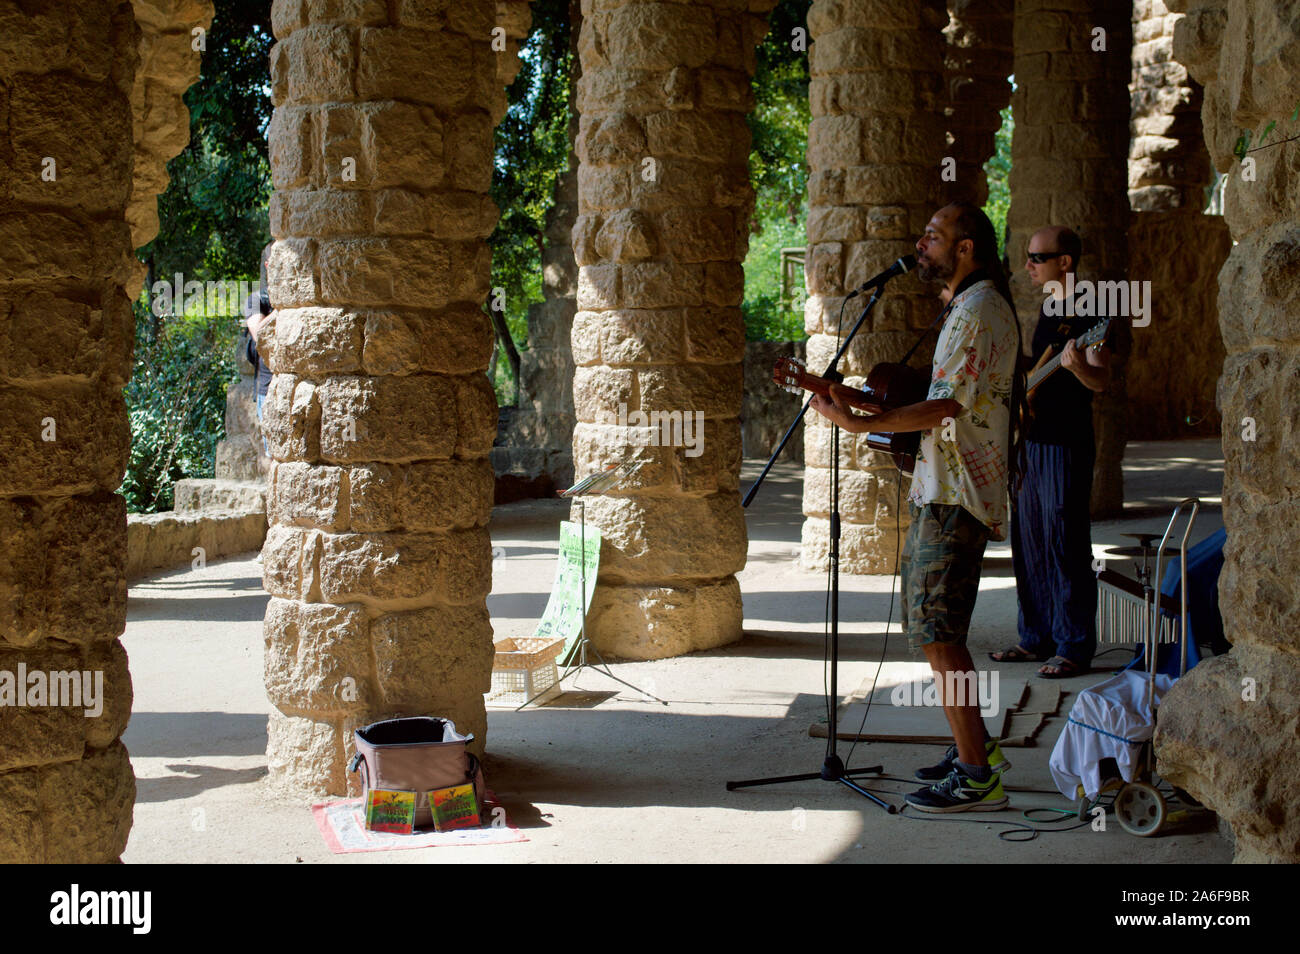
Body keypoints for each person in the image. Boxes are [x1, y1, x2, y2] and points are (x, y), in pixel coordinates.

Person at [811, 203, 1020, 812]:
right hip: (945, 486)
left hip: (955, 492)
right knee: (939, 628)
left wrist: (852, 420)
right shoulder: (968, 306)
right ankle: (976, 748)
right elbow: (936, 400)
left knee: (937, 632)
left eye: (934, 235)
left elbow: (943, 408)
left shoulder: (978, 309)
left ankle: (979, 778)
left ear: (966, 248)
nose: (921, 244)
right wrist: (846, 397)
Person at [989, 227, 1110, 678]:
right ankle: (1034, 638)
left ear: (1065, 262)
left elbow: (1101, 380)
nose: (1029, 265)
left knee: (1065, 541)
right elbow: (1038, 371)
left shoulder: (1094, 310)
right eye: (1029, 257)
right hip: (1033, 440)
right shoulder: (1049, 309)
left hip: (1066, 441)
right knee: (1030, 541)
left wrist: (1080, 370)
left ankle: (1074, 646)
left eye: (1038, 257)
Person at [243, 243, 274, 455]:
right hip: (268, 390)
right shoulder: (257, 300)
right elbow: (260, 333)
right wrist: (283, 308)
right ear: (268, 265)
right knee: (276, 455)